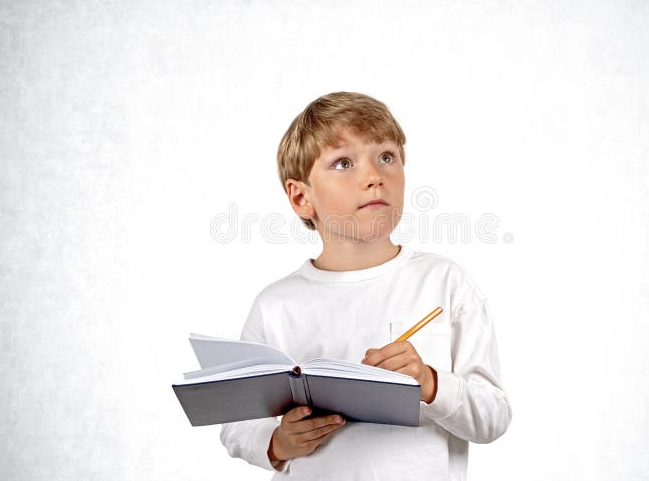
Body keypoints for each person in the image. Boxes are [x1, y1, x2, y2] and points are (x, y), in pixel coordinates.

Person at [219, 92, 511, 480]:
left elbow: (493, 417)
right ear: (301, 197)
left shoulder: (446, 282)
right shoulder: (277, 305)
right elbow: (236, 425)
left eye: (386, 157)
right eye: (343, 163)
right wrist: (278, 443)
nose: (374, 176)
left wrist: (430, 382)